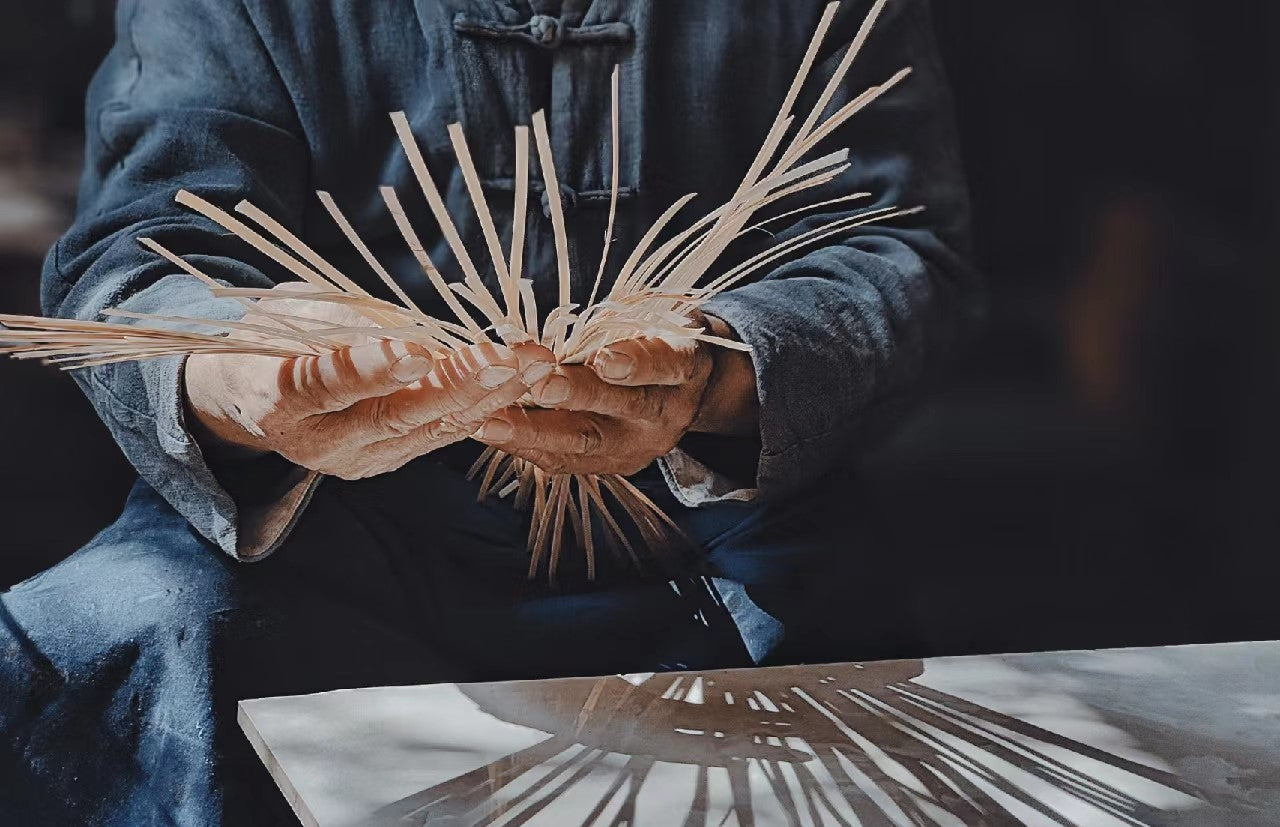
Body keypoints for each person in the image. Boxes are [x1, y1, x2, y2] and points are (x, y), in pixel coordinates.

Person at [0, 0, 978, 822]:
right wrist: (238, 371)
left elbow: (899, 250)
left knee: (827, 699)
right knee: (109, 639)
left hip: (720, 537)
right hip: (320, 537)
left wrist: (717, 366)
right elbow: (138, 259)